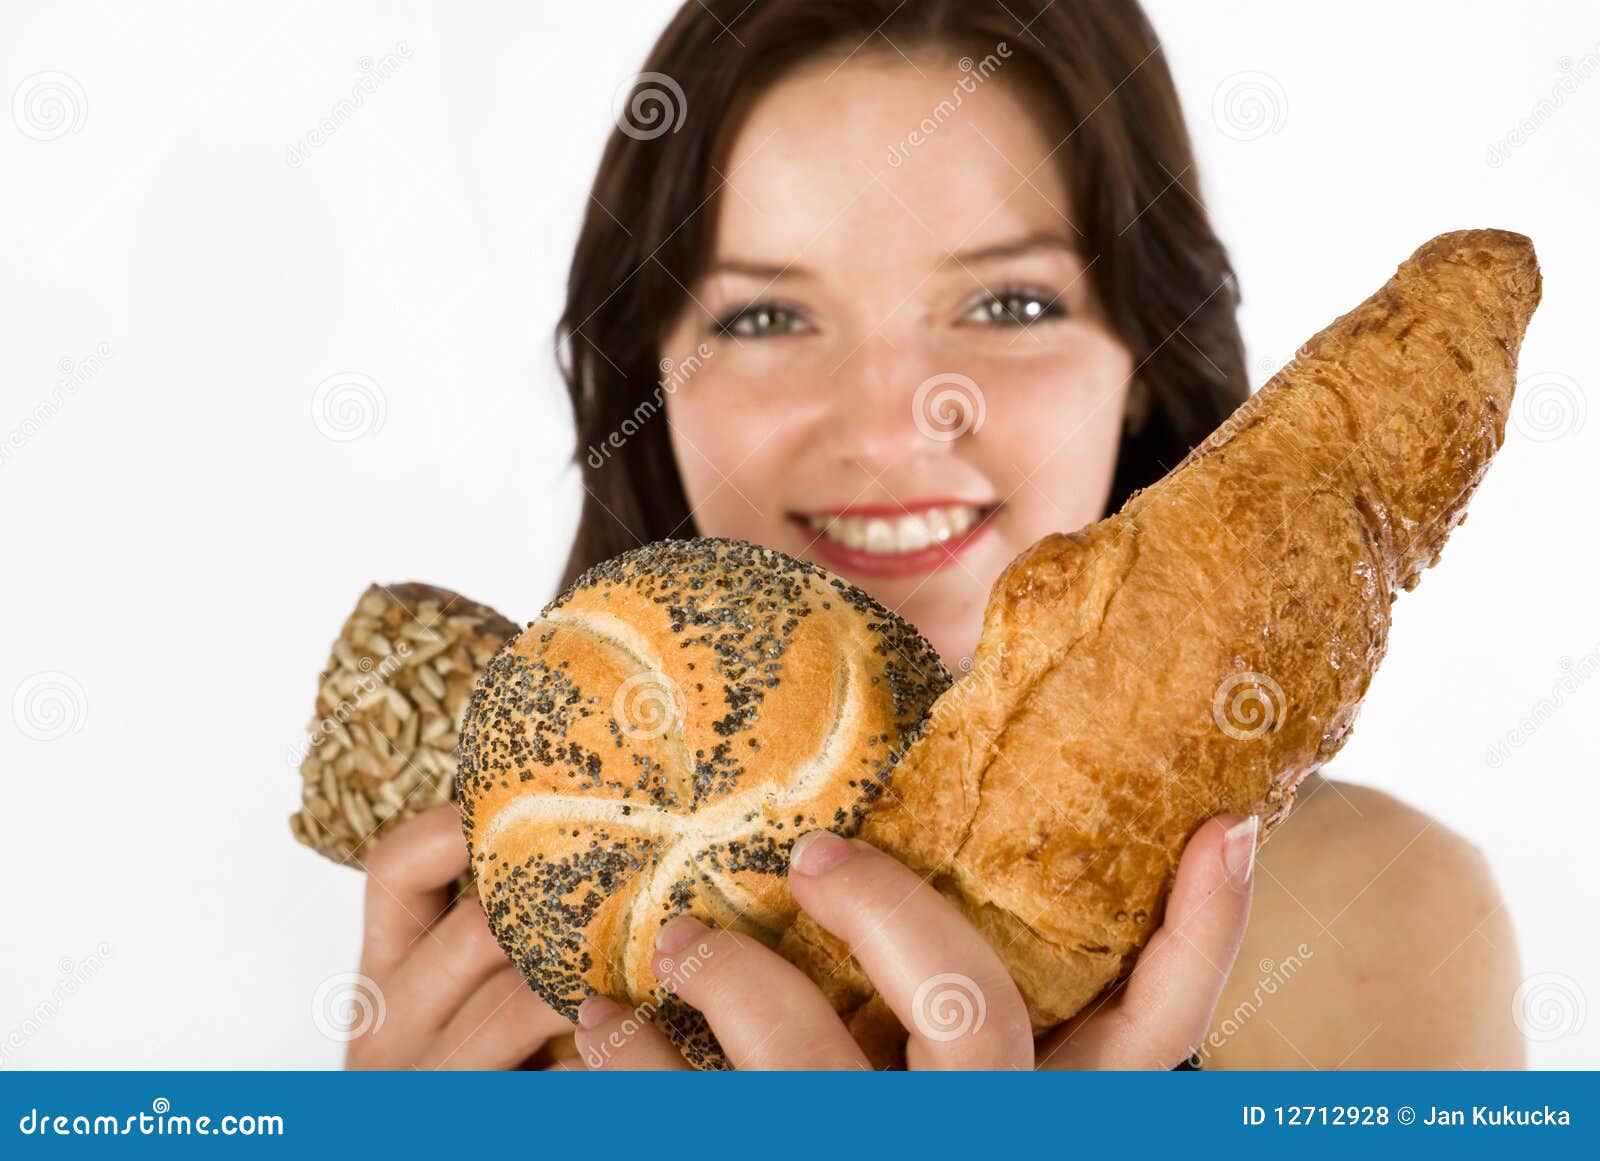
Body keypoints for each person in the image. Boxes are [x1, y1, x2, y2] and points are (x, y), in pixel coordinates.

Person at [349, 0, 1523, 1071]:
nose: (894, 423)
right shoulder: (489, 943)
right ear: (652, 375)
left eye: (1008, 303)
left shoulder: (1384, 928)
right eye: (765, 315)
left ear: (1142, 361)